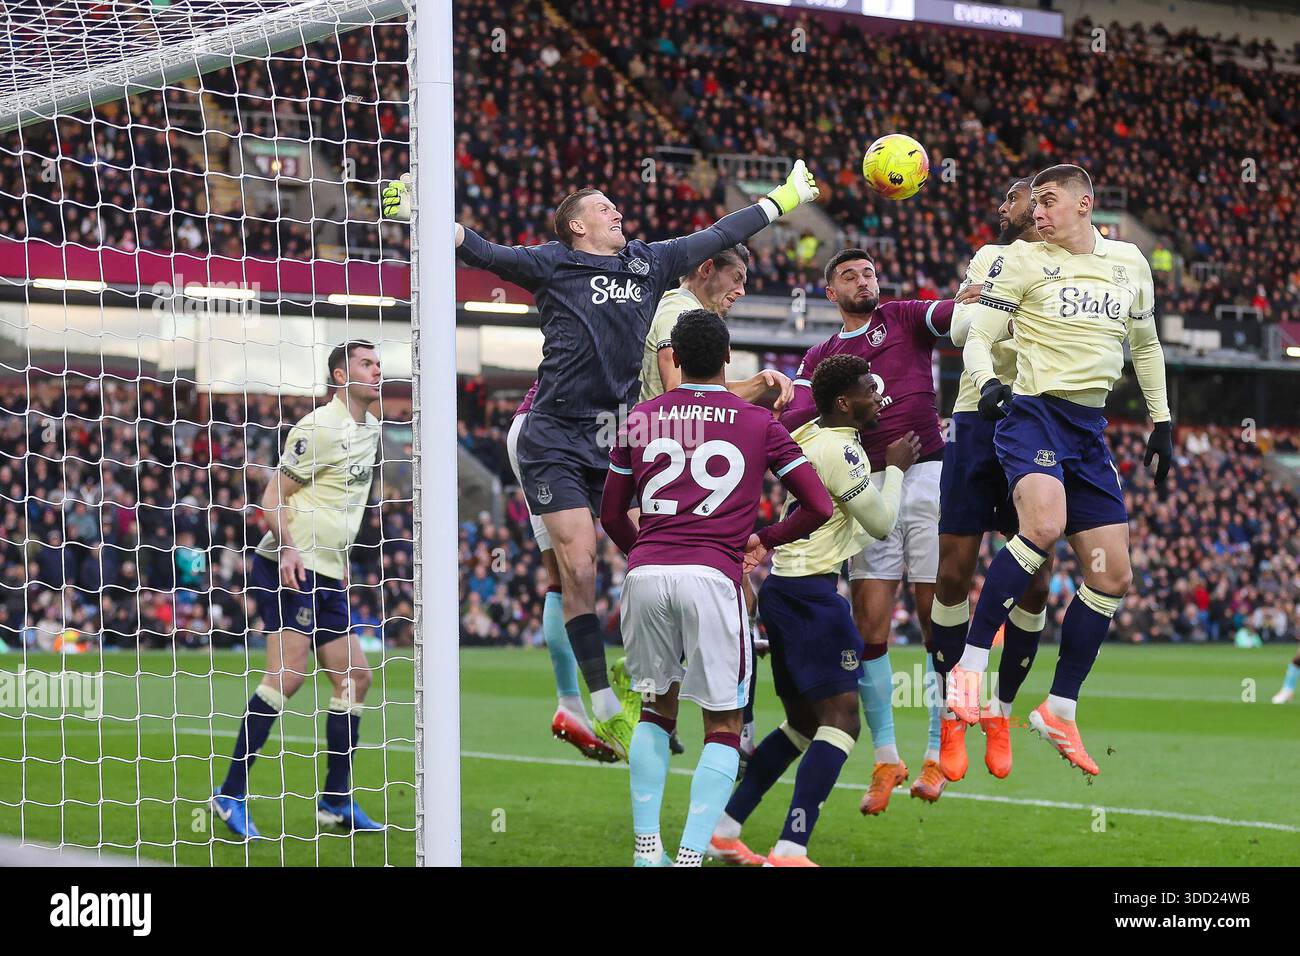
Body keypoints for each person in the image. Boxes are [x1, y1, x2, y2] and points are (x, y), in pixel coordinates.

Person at [385, 163, 821, 759]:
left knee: (634, 559)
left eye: (616, 206)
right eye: (604, 207)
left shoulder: (649, 262)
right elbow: (477, 249)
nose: (617, 211)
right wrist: (420, 215)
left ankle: (621, 697)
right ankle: (604, 703)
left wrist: (783, 199)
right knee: (580, 562)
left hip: (617, 438)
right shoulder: (552, 263)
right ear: (576, 226)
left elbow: (718, 234)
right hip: (553, 433)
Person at [956, 164, 1174, 776]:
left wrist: (1161, 421)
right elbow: (976, 336)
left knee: (1112, 575)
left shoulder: (1129, 262)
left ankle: (1058, 706)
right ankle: (971, 664)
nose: (1039, 213)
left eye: (1050, 202)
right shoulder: (1023, 262)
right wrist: (990, 385)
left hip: (1088, 429)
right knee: (1044, 528)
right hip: (1033, 416)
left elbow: (1147, 344)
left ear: (1087, 203)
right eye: (1036, 202)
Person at [600, 309, 833, 867]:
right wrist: (765, 538)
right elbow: (819, 504)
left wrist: (650, 555)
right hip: (714, 576)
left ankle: (645, 847)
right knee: (724, 723)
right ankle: (690, 854)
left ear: (673, 359)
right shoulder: (757, 421)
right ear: (729, 358)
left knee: (657, 709)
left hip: (647, 574)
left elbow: (610, 513)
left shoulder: (639, 417)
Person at [779, 251, 978, 812]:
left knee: (934, 617)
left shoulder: (906, 317)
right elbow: (794, 411)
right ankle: (887, 758)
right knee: (868, 628)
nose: (864, 281)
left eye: (868, 273)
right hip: (866, 489)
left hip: (927, 478)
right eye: (849, 276)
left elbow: (952, 316)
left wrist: (971, 298)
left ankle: (940, 752)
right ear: (829, 293)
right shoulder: (821, 357)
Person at [709, 354, 919, 867]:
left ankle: (724, 829)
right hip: (811, 596)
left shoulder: (812, 435)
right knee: (843, 721)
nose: (881, 395)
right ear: (845, 402)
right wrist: (894, 469)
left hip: (786, 591)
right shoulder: (839, 453)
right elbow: (882, 524)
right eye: (872, 388)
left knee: (802, 724)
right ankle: (790, 846)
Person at [212, 341, 386, 838]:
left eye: (379, 365)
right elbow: (273, 494)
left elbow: (341, 503)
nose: (378, 372)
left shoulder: (371, 430)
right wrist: (288, 548)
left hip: (327, 570)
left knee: (355, 676)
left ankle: (335, 802)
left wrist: (341, 559)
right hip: (291, 566)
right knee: (287, 676)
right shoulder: (318, 428)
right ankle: (229, 794)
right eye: (367, 364)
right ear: (340, 374)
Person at [637, 241, 793, 762]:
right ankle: (723, 719)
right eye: (738, 278)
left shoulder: (688, 318)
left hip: (675, 470)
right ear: (707, 269)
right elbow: (680, 393)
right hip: (675, 470)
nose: (742, 291)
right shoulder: (678, 312)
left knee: (733, 597)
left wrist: (752, 385)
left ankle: (672, 699)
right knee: (727, 594)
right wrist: (759, 388)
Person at [931, 178, 1053, 787]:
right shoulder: (989, 257)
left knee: (1038, 575)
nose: (1008, 208)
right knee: (952, 572)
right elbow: (958, 334)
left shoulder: (1076, 261)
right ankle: (957, 712)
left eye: (1019, 198)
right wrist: (977, 307)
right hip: (977, 417)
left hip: (1041, 417)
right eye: (1008, 200)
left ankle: (1000, 711)